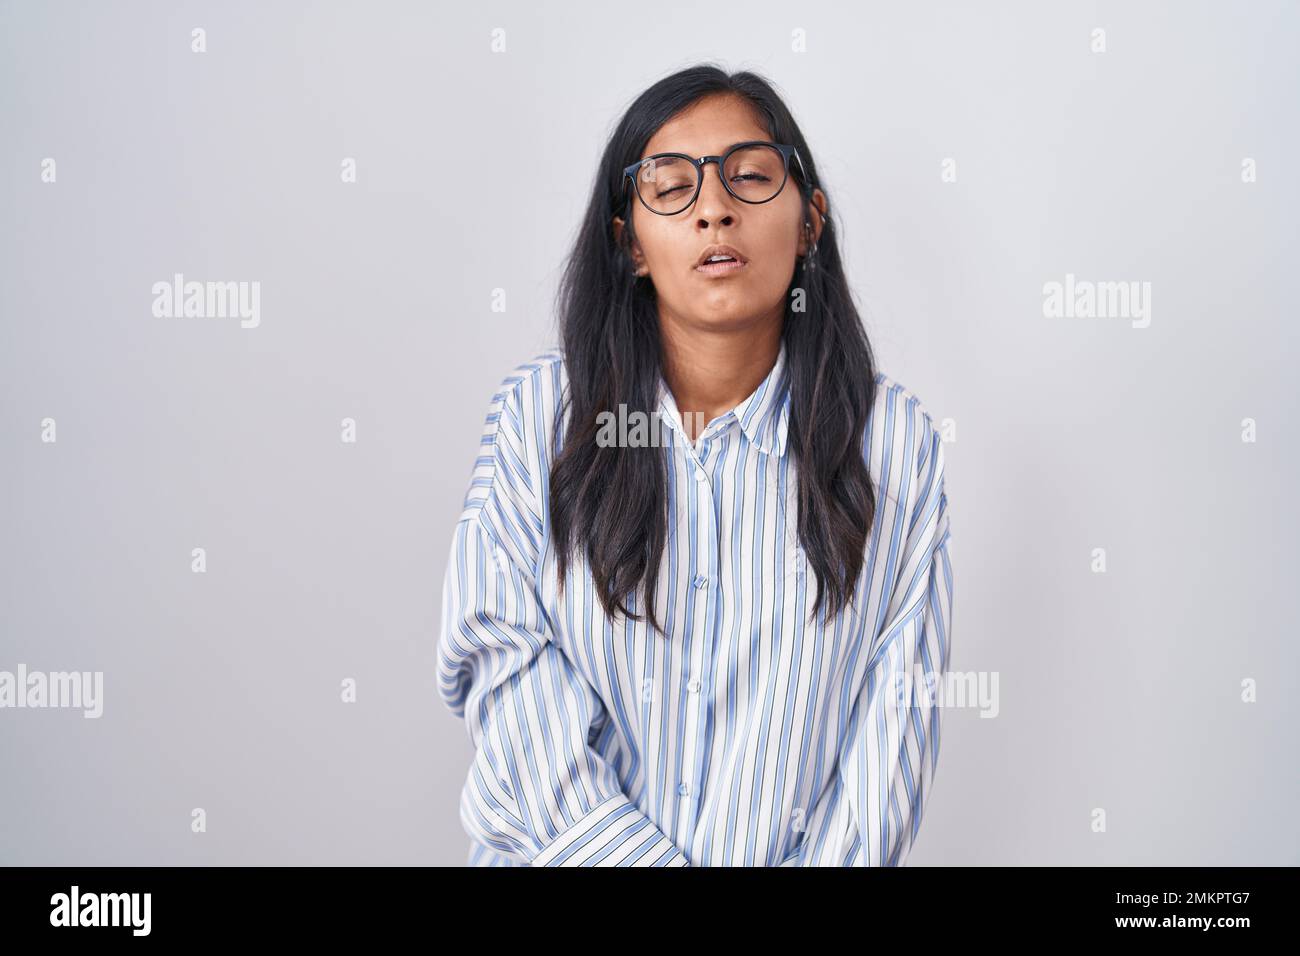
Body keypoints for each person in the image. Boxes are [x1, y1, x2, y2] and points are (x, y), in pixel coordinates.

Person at [436, 64, 954, 866]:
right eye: (670, 187)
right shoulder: (542, 421)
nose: (715, 208)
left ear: (810, 220)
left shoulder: (892, 447)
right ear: (629, 244)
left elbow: (892, 739)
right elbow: (502, 676)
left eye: (750, 176)